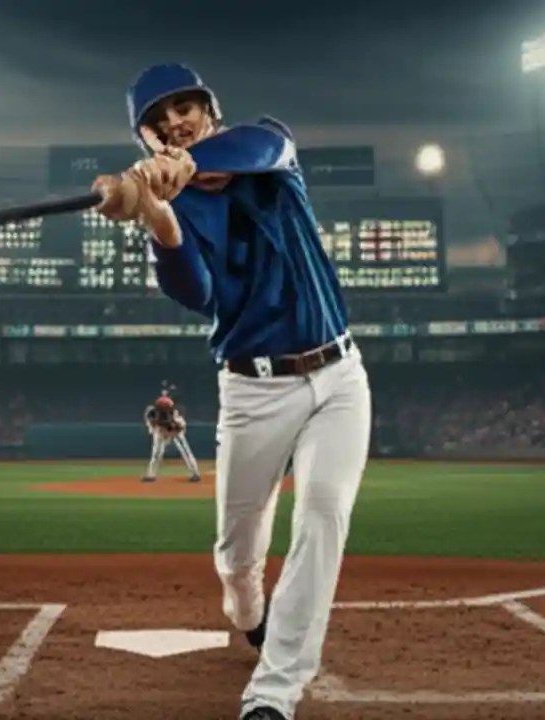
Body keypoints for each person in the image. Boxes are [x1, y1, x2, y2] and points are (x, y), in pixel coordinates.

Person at [94, 63, 372, 720]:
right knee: (238, 554)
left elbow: (261, 148)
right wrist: (157, 216)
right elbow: (197, 292)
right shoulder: (180, 204)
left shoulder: (265, 148)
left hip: (340, 377)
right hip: (254, 390)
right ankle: (247, 611)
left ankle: (274, 692)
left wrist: (176, 170)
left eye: (183, 108)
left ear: (209, 110)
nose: (174, 124)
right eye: (157, 123)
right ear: (146, 140)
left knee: (323, 512)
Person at [142, 390, 202, 483]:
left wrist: (172, 428)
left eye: (165, 407)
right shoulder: (151, 413)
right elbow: (152, 425)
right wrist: (158, 429)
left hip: (175, 432)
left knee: (185, 451)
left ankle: (195, 473)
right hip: (160, 431)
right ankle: (151, 474)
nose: (164, 409)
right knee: (156, 453)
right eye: (162, 407)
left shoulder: (176, 416)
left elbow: (180, 428)